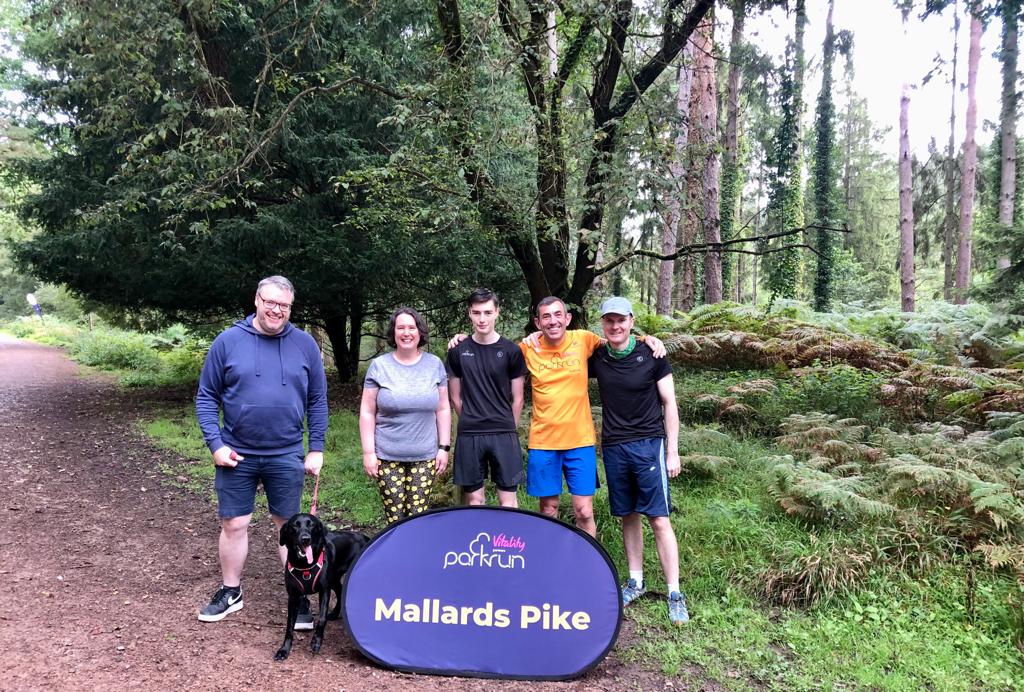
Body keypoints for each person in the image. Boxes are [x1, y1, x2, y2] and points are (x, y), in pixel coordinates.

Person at [195, 275, 327, 627]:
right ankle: (230, 591)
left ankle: (298, 596)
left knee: (290, 526)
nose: (276, 310)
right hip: (236, 452)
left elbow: (317, 399)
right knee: (234, 522)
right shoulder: (228, 342)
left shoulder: (305, 345)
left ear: (290, 308)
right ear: (256, 300)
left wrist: (316, 448)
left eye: (284, 305)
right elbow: (207, 396)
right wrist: (215, 445)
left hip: (286, 452)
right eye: (270, 302)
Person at [589, 297, 688, 625]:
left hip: (648, 444)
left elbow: (669, 403)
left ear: (631, 320)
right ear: (603, 325)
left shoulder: (652, 353)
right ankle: (636, 581)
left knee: (658, 518)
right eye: (609, 321)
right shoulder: (598, 355)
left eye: (621, 320)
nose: (615, 326)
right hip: (614, 446)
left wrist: (672, 450)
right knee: (627, 514)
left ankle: (675, 592)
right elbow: (561, 350)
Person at [360, 307, 451, 524]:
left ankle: (414, 557)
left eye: (412, 327)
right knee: (395, 519)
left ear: (420, 332)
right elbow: (367, 411)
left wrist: (444, 448)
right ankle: (394, 557)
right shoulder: (379, 366)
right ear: (393, 333)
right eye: (401, 327)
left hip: (425, 456)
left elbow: (443, 408)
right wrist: (368, 453)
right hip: (387, 456)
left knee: (417, 518)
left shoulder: (434, 364)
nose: (406, 332)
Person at [446, 288, 528, 507]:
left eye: (487, 312)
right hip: (470, 433)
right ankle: (480, 542)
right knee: (474, 499)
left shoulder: (511, 350)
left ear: (497, 312)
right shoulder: (458, 350)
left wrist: (509, 426)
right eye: (476, 313)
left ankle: (509, 541)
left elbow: (518, 398)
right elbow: (455, 397)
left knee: (508, 500)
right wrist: (473, 418)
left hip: (504, 433)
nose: (482, 319)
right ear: (469, 314)